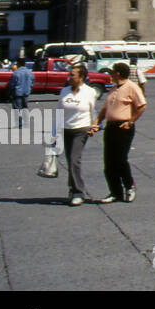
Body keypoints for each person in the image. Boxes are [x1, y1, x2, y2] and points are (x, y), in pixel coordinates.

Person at [94, 62, 147, 203]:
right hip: (110, 127)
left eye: (111, 73)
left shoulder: (132, 87)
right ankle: (115, 192)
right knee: (109, 162)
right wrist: (96, 122)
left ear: (117, 73)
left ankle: (129, 186)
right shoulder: (113, 89)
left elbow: (142, 106)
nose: (110, 75)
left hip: (124, 127)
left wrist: (131, 121)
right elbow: (105, 109)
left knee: (120, 160)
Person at [57, 65, 99, 206]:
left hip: (81, 128)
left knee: (75, 159)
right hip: (66, 128)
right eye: (69, 74)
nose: (69, 77)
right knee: (70, 161)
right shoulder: (64, 91)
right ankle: (73, 188)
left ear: (81, 77)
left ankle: (78, 192)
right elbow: (59, 110)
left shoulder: (90, 92)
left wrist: (94, 125)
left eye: (72, 75)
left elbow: (93, 110)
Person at [10, 60, 34, 128]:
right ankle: (26, 123)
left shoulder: (16, 73)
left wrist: (10, 93)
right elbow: (32, 82)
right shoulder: (30, 72)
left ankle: (19, 124)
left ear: (18, 64)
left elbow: (12, 84)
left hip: (17, 93)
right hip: (26, 93)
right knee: (25, 108)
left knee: (17, 109)